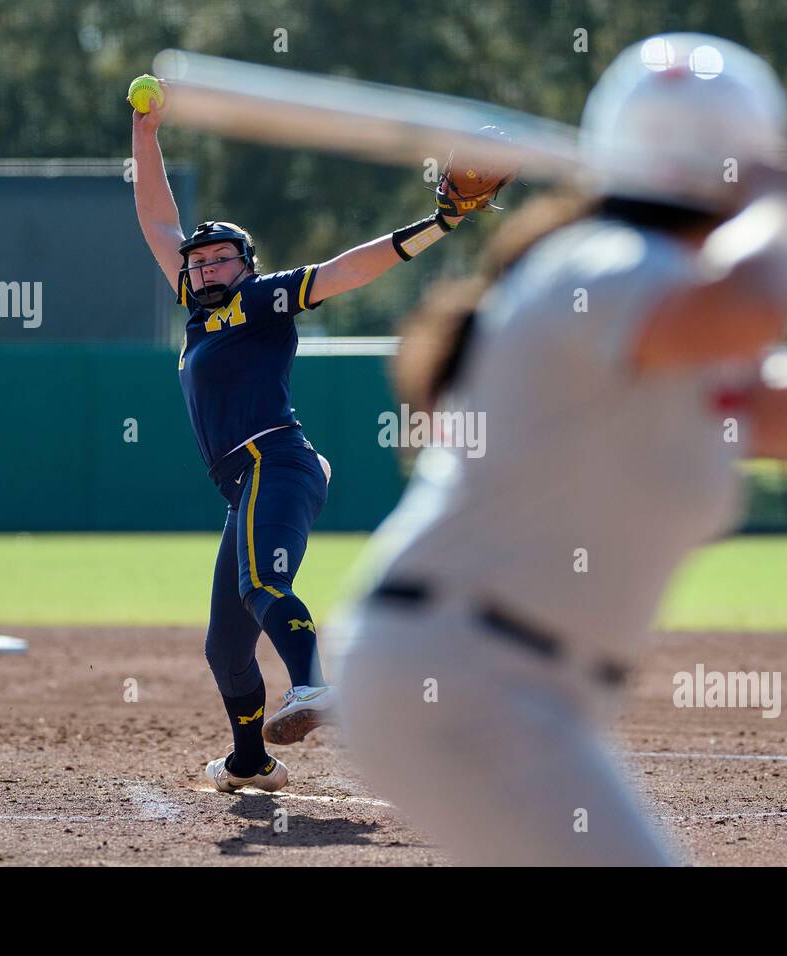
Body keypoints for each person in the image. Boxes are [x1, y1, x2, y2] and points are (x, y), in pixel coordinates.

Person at [335, 33, 787, 864]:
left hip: (521, 686)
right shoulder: (596, 266)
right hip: (461, 671)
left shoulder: (676, 309)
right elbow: (748, 309)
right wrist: (780, 202)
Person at [130, 79, 476, 793]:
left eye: (218, 257)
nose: (201, 265)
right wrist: (146, 131)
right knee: (224, 647)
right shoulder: (200, 317)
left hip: (274, 461)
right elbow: (157, 222)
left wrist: (437, 223)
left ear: (247, 264)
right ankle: (251, 760)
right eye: (196, 261)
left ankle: (316, 687)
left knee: (263, 582)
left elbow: (348, 268)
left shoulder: (260, 300)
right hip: (243, 483)